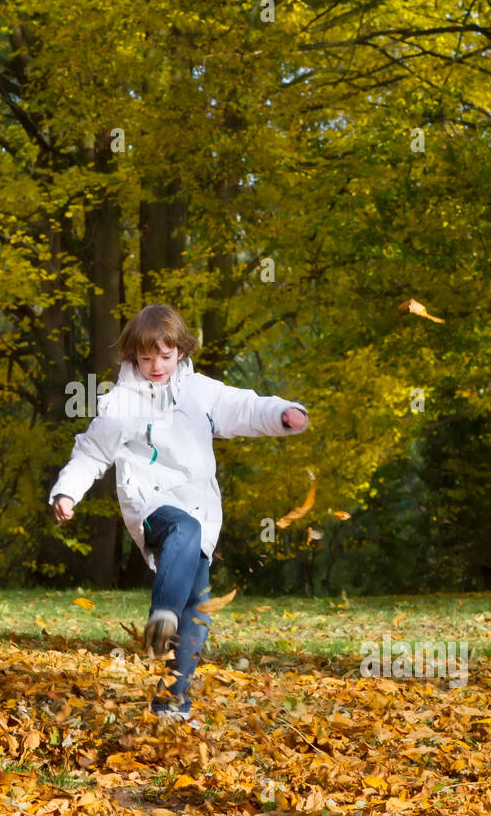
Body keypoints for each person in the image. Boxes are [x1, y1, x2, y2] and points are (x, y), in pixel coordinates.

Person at [48, 304, 309, 723]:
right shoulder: (121, 404)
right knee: (182, 531)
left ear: (181, 352)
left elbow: (244, 408)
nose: (155, 366)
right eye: (146, 358)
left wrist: (281, 414)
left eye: (165, 357)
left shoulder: (200, 392)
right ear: (134, 355)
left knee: (199, 607)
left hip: (200, 507)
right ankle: (161, 614)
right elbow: (92, 451)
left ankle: (172, 699)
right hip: (151, 504)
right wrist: (67, 492)